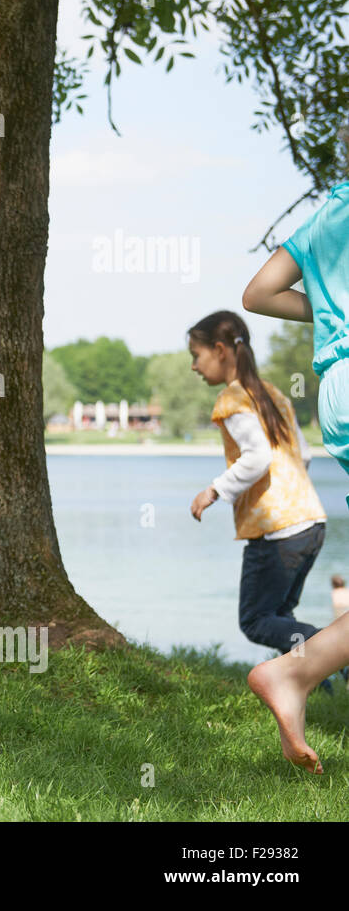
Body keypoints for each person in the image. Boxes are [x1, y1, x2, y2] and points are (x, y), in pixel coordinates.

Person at [238, 163, 349, 771]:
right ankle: (295, 670)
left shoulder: (330, 213)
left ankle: (294, 674)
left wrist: (333, 319)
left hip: (336, 390)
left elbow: (258, 294)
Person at [188, 310, 328, 661]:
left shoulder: (233, 398)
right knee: (281, 617)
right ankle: (314, 685)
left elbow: (257, 457)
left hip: (277, 530)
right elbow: (304, 455)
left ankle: (336, 650)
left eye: (196, 355)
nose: (194, 366)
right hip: (311, 521)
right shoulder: (272, 393)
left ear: (220, 350)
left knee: (256, 620)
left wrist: (214, 490)